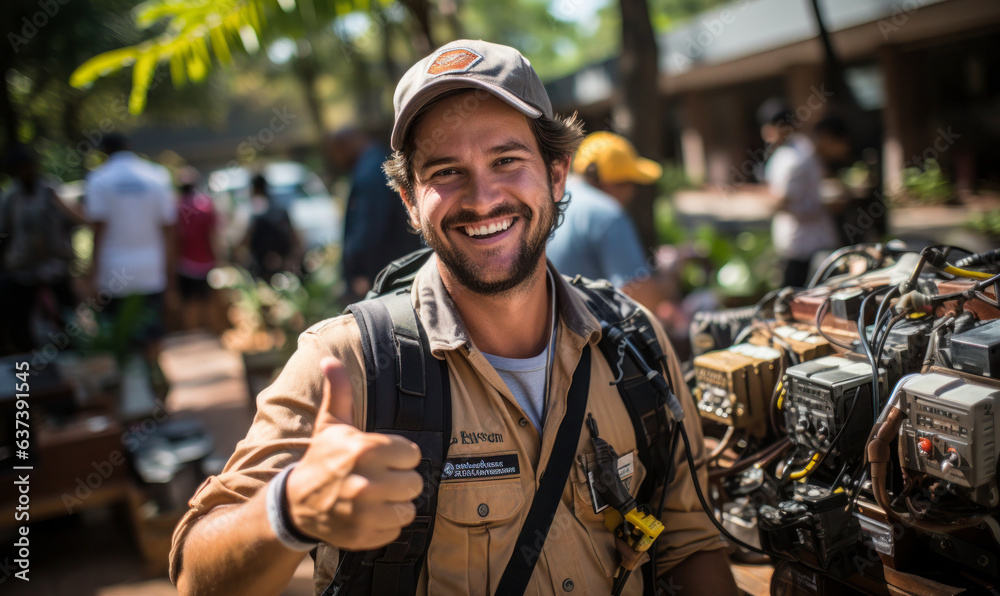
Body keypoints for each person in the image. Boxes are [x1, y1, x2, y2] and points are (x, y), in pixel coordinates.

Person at [170, 40, 736, 596]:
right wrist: (289, 508)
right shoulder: (347, 363)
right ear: (410, 202)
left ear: (557, 175)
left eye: (507, 160)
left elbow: (689, 543)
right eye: (446, 172)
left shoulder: (633, 340)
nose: (483, 198)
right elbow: (198, 575)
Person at [548, 131, 668, 310]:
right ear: (613, 183)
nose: (633, 193)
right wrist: (669, 274)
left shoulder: (552, 200)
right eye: (630, 183)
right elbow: (641, 299)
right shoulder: (607, 213)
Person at [84, 133, 177, 358]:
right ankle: (156, 384)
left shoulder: (98, 179)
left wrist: (92, 275)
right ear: (129, 147)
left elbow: (97, 231)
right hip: (151, 272)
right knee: (153, 336)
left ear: (104, 152)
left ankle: (132, 389)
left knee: (121, 340)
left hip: (112, 274)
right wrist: (171, 279)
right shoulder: (157, 176)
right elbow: (169, 230)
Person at [0, 144, 82, 354]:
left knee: (66, 313)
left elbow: (74, 221)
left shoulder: (51, 190)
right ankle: (25, 355)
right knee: (19, 317)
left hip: (55, 265)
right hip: (23, 268)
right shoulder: (11, 197)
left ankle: (70, 350)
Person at [325, 127, 422, 300]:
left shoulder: (369, 172)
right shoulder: (378, 161)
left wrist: (360, 271)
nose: (336, 160)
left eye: (336, 153)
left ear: (345, 146)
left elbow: (369, 226)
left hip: (381, 272)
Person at [757, 98, 838, 288]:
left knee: (799, 297)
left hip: (803, 243)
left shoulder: (792, 157)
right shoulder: (799, 148)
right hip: (806, 237)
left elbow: (780, 199)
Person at [175, 166, 219, 331]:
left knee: (188, 302)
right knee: (208, 300)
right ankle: (210, 332)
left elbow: (173, 239)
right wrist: (218, 259)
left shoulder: (176, 207)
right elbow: (213, 237)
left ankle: (193, 334)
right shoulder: (206, 205)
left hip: (184, 263)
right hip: (206, 262)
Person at [245, 173, 301, 281]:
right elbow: (295, 240)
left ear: (255, 189)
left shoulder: (255, 213)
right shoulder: (280, 210)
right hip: (283, 270)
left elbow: (246, 242)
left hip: (263, 272)